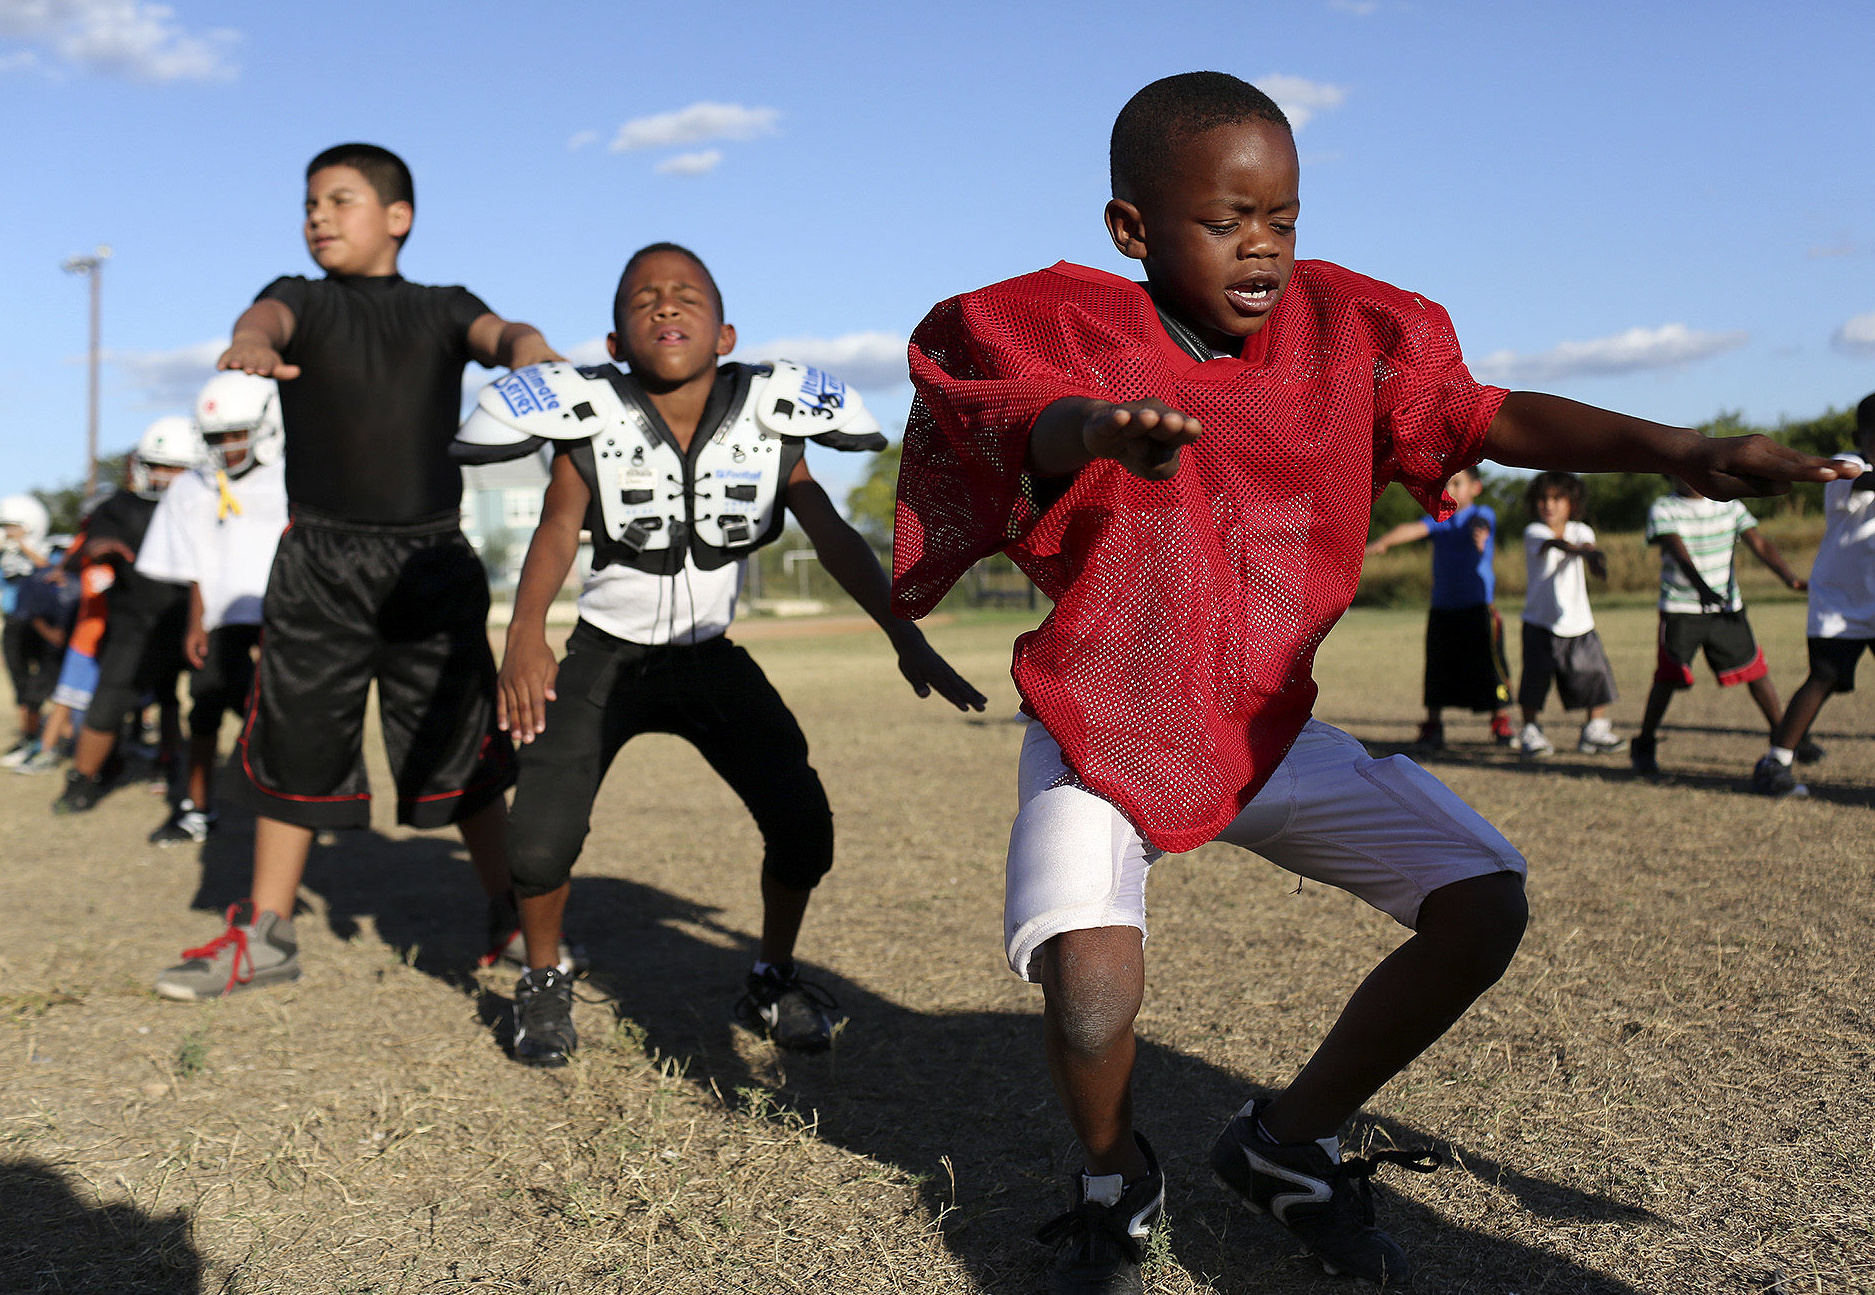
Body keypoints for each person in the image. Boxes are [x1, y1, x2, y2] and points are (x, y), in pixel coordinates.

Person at [889, 71, 1856, 1293]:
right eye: (1227, 219)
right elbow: (1021, 418)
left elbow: (1488, 415)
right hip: (1115, 719)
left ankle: (1287, 1140)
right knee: (1089, 988)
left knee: (1483, 901)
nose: (1264, 248)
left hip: (1261, 719)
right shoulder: (1073, 331)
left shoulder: (1344, 338)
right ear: (1131, 228)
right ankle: (1111, 1180)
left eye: (1284, 220)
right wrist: (1100, 429)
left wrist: (1689, 449)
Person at [454, 243, 987, 1066]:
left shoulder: (769, 413)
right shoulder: (587, 412)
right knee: (536, 841)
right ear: (612, 342)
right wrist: (524, 634)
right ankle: (544, 975)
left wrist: (901, 629)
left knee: (803, 826)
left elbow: (834, 534)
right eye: (644, 299)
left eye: (685, 296)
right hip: (605, 654)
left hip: (709, 657)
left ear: (726, 331)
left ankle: (771, 974)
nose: (665, 306)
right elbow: (559, 524)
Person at [153, 143, 561, 1001]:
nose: (318, 217)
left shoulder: (443, 307)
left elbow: (504, 335)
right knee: (297, 734)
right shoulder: (298, 298)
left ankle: (513, 916)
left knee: (465, 742)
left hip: (430, 561)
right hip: (319, 560)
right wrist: (247, 342)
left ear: (398, 217)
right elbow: (261, 320)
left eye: (340, 200)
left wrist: (532, 349)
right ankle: (266, 932)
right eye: (309, 204)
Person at [135, 371, 289, 843]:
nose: (225, 446)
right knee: (203, 709)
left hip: (284, 615)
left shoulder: (295, 477)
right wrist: (196, 621)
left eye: (235, 434)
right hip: (223, 618)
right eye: (215, 436)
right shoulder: (193, 486)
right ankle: (196, 807)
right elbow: (195, 563)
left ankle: (294, 803)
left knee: (284, 715)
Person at [53, 418, 199, 814]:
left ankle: (175, 763)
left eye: (174, 467)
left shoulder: (206, 504)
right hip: (136, 622)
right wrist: (101, 548)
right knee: (109, 701)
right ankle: (83, 778)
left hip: (194, 620)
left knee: (193, 699)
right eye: (157, 465)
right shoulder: (121, 505)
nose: (163, 475)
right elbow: (91, 542)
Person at [1630, 472, 1809, 776]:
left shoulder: (1729, 506)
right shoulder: (1664, 508)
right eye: (1677, 470)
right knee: (1668, 678)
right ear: (1667, 474)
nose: (1686, 477)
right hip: (1682, 608)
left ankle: (1785, 740)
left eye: (1692, 468)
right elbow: (1678, 551)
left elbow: (1760, 544)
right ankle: (1644, 744)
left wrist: (1789, 577)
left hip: (1726, 609)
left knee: (1755, 671)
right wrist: (1702, 589)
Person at [1749, 392, 1875, 796]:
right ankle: (1776, 763)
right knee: (1823, 676)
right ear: (1860, 436)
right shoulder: (1847, 467)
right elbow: (1858, 477)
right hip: (1838, 602)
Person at [1366, 466, 1515, 749]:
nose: (1452, 490)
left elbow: (1482, 523)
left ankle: (1501, 721)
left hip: (1478, 607)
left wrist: (1479, 535)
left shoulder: (1481, 516)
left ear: (1476, 488)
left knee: (1488, 666)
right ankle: (1433, 725)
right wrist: (1384, 542)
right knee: (1438, 668)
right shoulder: (1441, 521)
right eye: (1447, 485)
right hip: (1443, 607)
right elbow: (1413, 528)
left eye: (1459, 483)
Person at [1514, 471, 1625, 757]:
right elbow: (1556, 545)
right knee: (1535, 681)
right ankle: (1530, 730)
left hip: (1579, 622)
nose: (1548, 505)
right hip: (1540, 622)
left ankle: (1595, 730)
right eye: (1543, 499)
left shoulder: (1581, 530)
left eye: (1556, 498)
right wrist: (1586, 555)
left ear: (1572, 503)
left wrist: (1595, 559)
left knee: (1594, 674)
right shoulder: (1534, 532)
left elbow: (1588, 546)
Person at [2, 493, 54, 763]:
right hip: (14, 624)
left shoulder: (47, 549)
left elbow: (48, 569)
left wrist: (23, 545)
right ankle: (28, 737)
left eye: (12, 526)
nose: (7, 532)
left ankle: (50, 741)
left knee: (45, 686)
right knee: (21, 685)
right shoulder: (5, 555)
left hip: (40, 625)